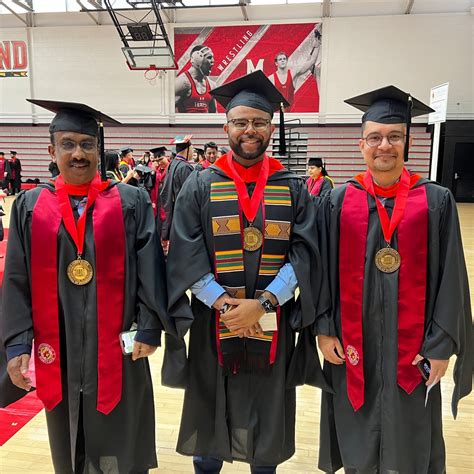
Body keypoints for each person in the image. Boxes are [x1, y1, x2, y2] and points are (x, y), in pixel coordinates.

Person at [164, 70, 330, 473]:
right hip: (213, 323)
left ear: (271, 127)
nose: (250, 130)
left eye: (259, 121)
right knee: (210, 409)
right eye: (240, 122)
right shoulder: (200, 184)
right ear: (226, 128)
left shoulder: (291, 186)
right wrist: (225, 305)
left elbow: (305, 253)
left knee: (267, 415)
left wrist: (264, 304)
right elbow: (186, 252)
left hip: (273, 321)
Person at [0, 99, 170, 473]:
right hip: (57, 345)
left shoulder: (130, 202)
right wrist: (17, 344)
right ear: (52, 151)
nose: (78, 154)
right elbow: (16, 279)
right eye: (68, 144)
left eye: (87, 144)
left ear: (98, 150)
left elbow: (151, 269)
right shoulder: (30, 206)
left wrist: (149, 326)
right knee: (68, 436)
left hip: (120, 343)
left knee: (123, 434)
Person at [315, 86, 473, 473]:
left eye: (394, 136)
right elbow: (322, 273)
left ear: (408, 143)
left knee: (409, 440)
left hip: (414, 351)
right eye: (374, 137)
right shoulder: (338, 201)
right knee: (356, 435)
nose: (384, 145)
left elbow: (452, 279)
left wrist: (440, 346)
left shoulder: (435, 201)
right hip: (353, 344)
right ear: (361, 145)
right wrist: (325, 328)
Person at [160, 135, 194, 241]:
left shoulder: (173, 164)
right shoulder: (185, 167)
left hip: (174, 211)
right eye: (192, 149)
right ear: (187, 150)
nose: (193, 152)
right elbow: (189, 196)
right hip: (183, 214)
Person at [267, 44, 320, 112]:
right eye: (280, 59)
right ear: (276, 63)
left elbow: (311, 62)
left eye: (284, 59)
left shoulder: (293, 73)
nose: (282, 60)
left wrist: (317, 46)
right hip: (277, 114)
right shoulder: (271, 79)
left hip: (290, 113)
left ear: (286, 61)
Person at [175, 45, 217, 113]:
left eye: (212, 58)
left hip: (205, 120)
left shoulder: (212, 85)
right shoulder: (182, 82)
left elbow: (214, 113)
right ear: (198, 60)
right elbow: (169, 110)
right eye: (209, 57)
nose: (213, 61)